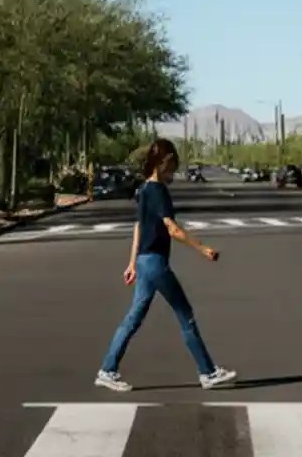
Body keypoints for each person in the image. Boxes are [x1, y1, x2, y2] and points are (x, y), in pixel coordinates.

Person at [95, 138, 237, 392]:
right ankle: (208, 372)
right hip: (156, 263)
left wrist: (132, 263)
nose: (173, 172)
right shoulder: (158, 191)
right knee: (186, 315)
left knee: (133, 318)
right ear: (163, 163)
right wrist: (202, 248)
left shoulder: (144, 189)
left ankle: (107, 369)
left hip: (144, 261)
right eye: (172, 166)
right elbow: (171, 229)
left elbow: (139, 227)